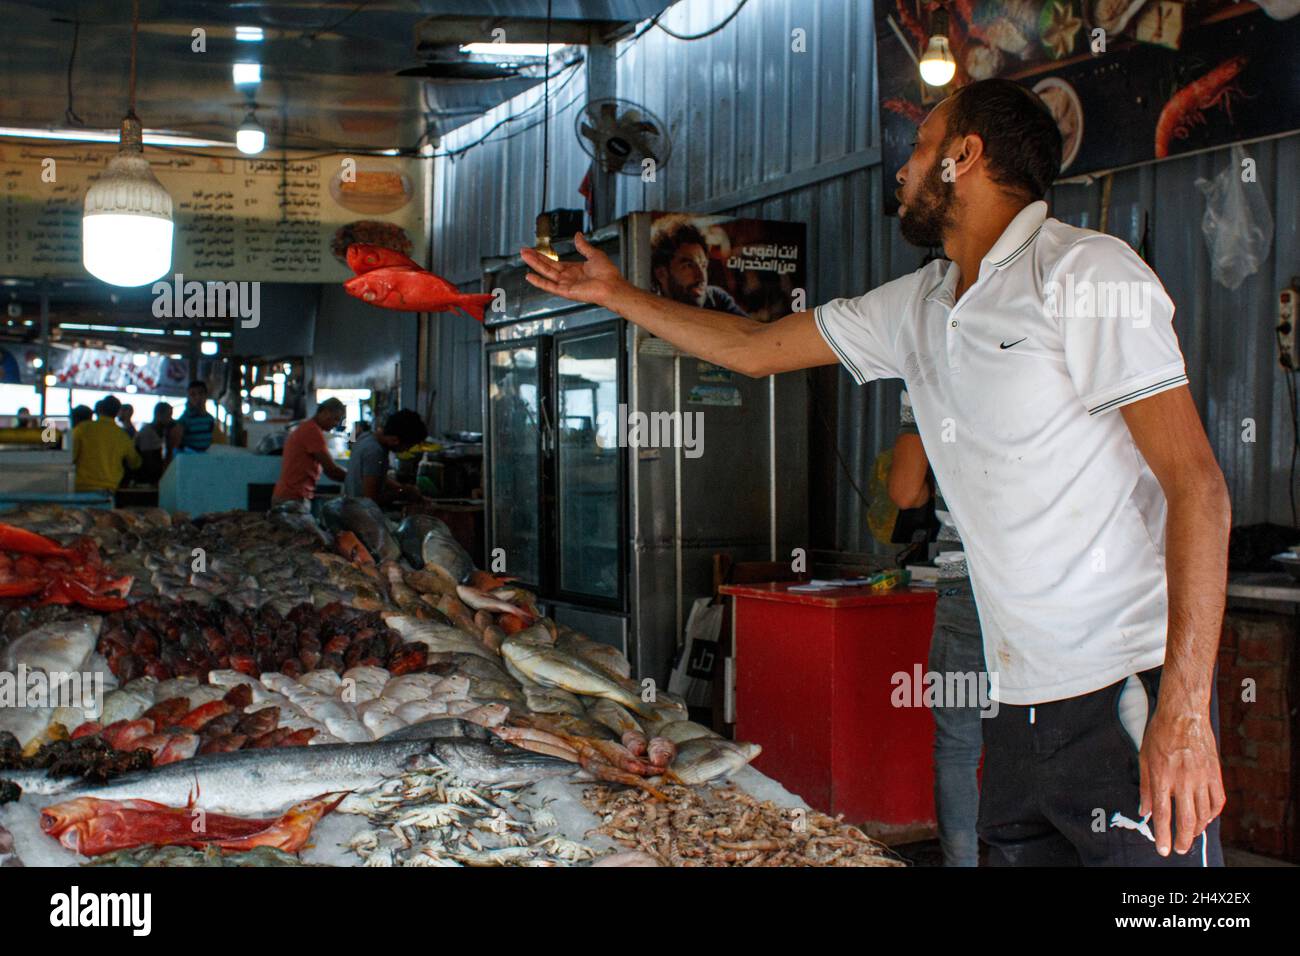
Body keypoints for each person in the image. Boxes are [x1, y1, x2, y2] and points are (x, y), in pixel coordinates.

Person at [520, 78, 1232, 867]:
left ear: (966, 157)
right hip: (1016, 700)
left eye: (921, 149)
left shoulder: (1088, 275)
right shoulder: (919, 305)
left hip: (1123, 694)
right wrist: (620, 296)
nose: (902, 170)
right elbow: (757, 350)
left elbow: (1198, 488)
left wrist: (1188, 713)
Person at [889, 389, 986, 867]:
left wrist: (935, 490)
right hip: (1038, 583)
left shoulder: (923, 367)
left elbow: (905, 491)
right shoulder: (1048, 339)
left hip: (963, 580)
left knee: (958, 746)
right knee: (1041, 732)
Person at [650, 215, 747, 316]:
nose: (701, 277)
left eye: (703, 265)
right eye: (688, 266)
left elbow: (749, 328)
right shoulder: (650, 310)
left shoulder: (716, 298)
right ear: (661, 273)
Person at [271, 397, 348, 509]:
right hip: (292, 499)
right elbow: (331, 469)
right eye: (335, 419)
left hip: (290, 496)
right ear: (325, 412)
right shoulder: (312, 431)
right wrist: (355, 478)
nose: (336, 424)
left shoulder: (308, 428)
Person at [344, 409, 428, 505]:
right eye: (408, 446)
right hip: (361, 515)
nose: (407, 450)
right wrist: (403, 494)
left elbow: (375, 476)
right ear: (395, 440)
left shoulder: (366, 437)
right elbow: (370, 500)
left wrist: (401, 488)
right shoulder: (375, 451)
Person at [72, 395, 142, 494]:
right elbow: (135, 463)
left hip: (81, 487)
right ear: (117, 413)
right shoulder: (122, 435)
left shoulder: (83, 428)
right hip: (108, 490)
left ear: (99, 409)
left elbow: (69, 457)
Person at [170, 380, 216, 454]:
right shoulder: (184, 420)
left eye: (201, 393)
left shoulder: (210, 419)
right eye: (193, 394)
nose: (197, 397)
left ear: (206, 395)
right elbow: (175, 446)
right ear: (188, 397)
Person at [134, 402, 173, 485]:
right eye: (168, 415)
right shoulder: (147, 432)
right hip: (145, 479)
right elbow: (148, 460)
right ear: (158, 414)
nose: (170, 419)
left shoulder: (162, 431)